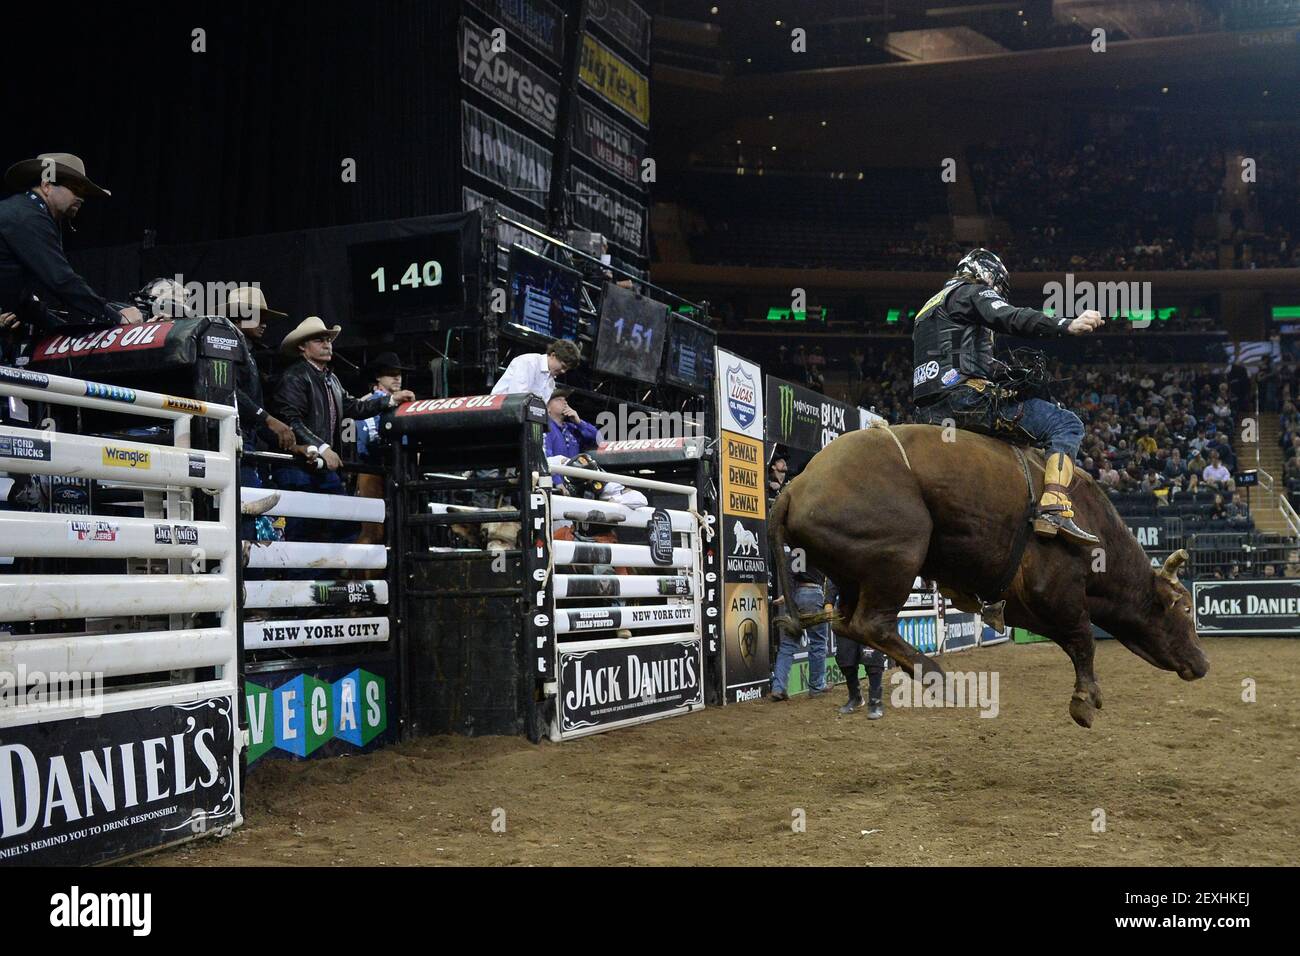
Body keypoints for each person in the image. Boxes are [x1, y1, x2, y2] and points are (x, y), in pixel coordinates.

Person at [911, 248, 1103, 544]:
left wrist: (1004, 373)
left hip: (928, 410)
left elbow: (959, 355)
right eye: (998, 285)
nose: (998, 291)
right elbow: (1010, 317)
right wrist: (1065, 324)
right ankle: (1054, 505)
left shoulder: (928, 308)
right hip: (966, 401)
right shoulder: (972, 291)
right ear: (986, 274)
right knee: (1066, 424)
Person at [271, 316, 413, 551]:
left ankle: (329, 580)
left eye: (328, 339)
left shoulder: (331, 379)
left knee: (341, 527)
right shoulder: (295, 377)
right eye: (319, 340)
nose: (327, 344)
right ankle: (303, 582)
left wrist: (390, 399)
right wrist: (323, 447)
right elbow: (289, 420)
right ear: (302, 347)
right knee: (303, 532)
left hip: (320, 467)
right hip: (298, 466)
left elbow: (354, 407)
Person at [0, 153, 143, 330]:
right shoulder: (27, 217)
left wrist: (60, 329)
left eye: (84, 192)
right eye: (75, 188)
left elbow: (20, 297)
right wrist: (115, 316)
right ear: (46, 186)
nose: (82, 197)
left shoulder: (25, 212)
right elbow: (61, 280)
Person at [770, 546, 829, 701]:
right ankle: (817, 686)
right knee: (818, 642)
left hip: (795, 595)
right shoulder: (816, 543)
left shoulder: (797, 547)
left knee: (789, 643)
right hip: (813, 593)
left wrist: (787, 594)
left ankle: (778, 687)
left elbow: (790, 572)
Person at [356, 351, 412, 464]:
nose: (397, 378)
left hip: (403, 463)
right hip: (375, 466)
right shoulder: (367, 404)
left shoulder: (406, 403)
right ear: (378, 377)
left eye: (399, 374)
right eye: (391, 373)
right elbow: (364, 442)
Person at [490, 338, 581, 403]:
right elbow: (517, 396)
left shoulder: (551, 382)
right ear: (553, 355)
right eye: (563, 366)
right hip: (499, 411)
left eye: (566, 369)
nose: (563, 371)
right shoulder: (529, 362)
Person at [542, 388, 600, 485]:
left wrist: (579, 422)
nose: (564, 402)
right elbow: (546, 457)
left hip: (576, 484)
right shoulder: (545, 427)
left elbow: (598, 439)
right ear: (547, 408)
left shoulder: (572, 428)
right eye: (558, 400)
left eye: (565, 400)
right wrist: (557, 482)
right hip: (556, 485)